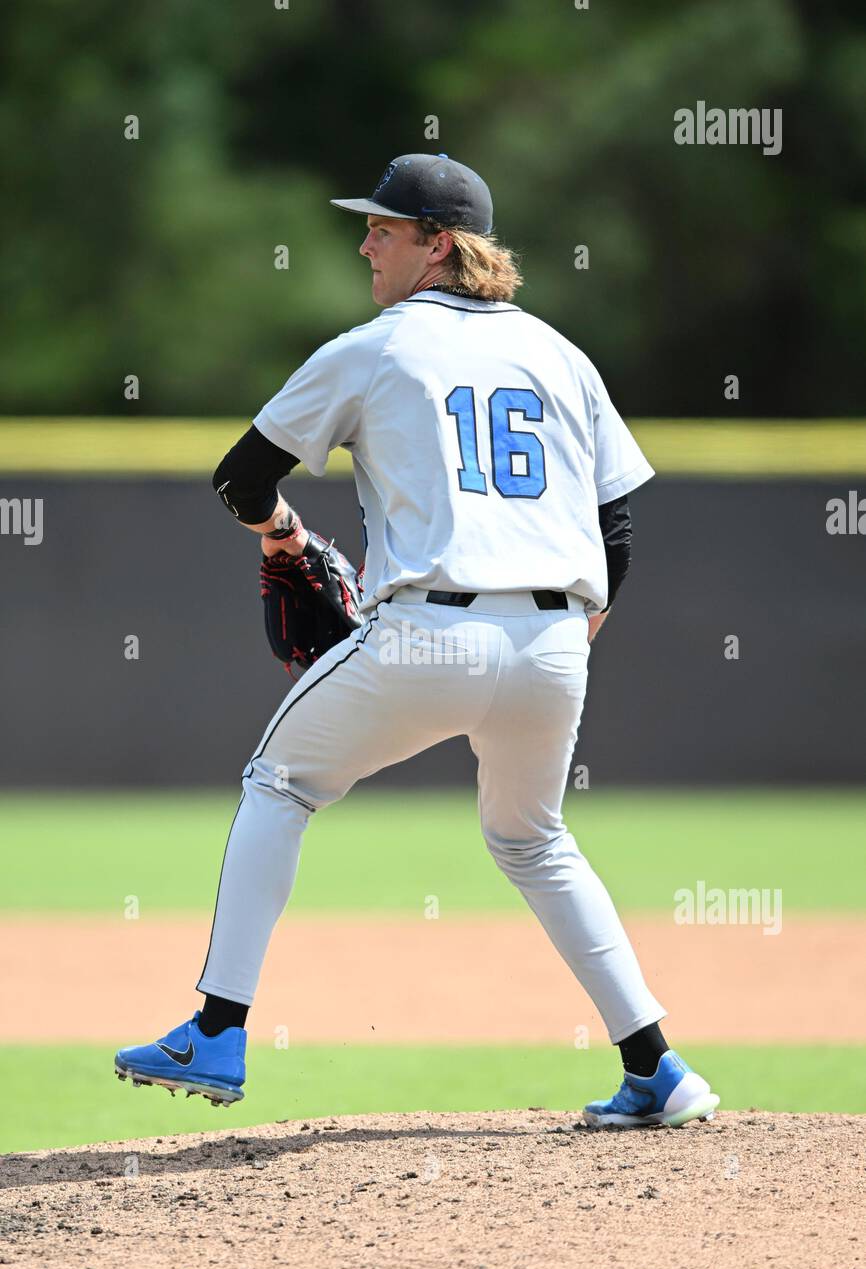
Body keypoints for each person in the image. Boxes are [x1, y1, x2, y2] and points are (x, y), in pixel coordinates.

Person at [115, 153, 719, 1128]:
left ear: (437, 245)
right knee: (532, 837)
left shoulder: (374, 346)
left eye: (383, 229)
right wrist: (567, 629)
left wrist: (281, 533)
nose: (365, 243)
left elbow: (238, 477)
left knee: (280, 782)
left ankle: (218, 1029)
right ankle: (655, 1065)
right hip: (555, 644)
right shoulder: (562, 354)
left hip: (428, 631)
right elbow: (616, 526)